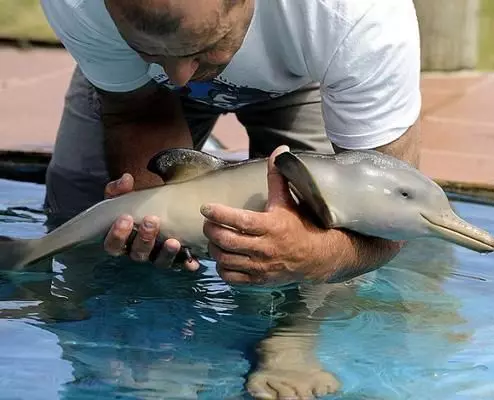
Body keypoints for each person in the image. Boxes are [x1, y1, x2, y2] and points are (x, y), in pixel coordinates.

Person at [39, 0, 422, 397]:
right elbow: (136, 111)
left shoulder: (356, 15)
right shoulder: (78, 4)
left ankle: (292, 338)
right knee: (81, 213)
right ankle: (123, 334)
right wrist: (155, 207)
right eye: (151, 49)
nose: (181, 75)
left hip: (303, 71)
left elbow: (386, 218)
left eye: (206, 46)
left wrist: (317, 254)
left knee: (330, 218)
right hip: (140, 88)